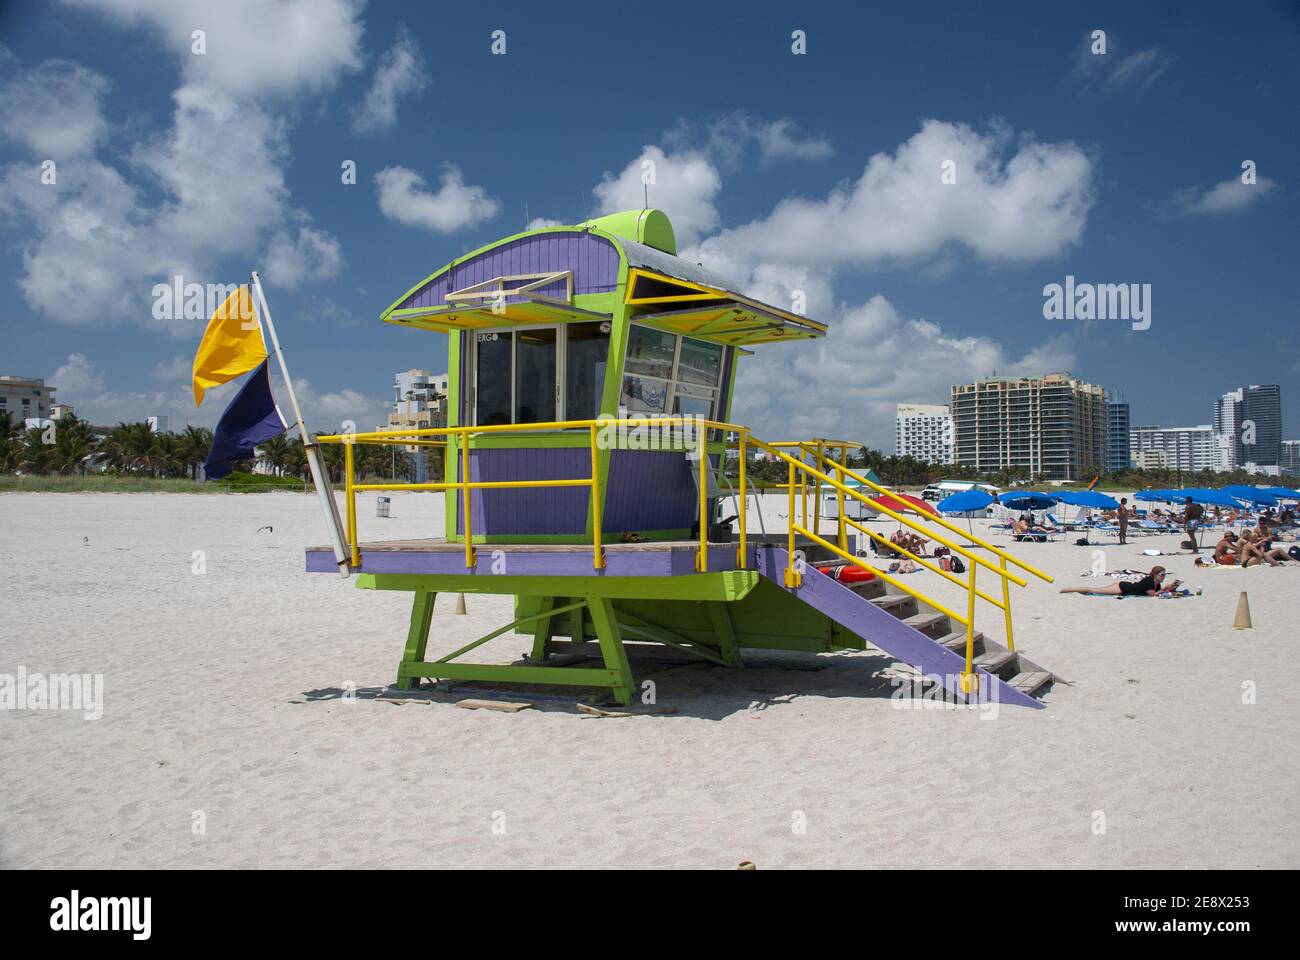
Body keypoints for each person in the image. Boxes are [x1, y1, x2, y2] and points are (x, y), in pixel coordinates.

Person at [1060, 565, 1175, 596]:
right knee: (1096, 590)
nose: (1163, 577)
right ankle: (1069, 589)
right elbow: (1152, 595)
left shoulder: (1157, 583)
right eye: (1161, 575)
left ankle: (1071, 590)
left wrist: (1170, 588)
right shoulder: (1149, 581)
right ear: (1155, 575)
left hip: (1125, 586)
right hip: (1122, 588)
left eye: (1164, 575)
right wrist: (1164, 590)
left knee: (1096, 589)